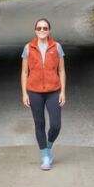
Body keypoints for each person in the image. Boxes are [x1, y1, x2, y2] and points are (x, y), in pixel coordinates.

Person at [20, 18, 66, 171]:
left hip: (54, 90)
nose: (42, 31)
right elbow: (25, 72)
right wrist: (24, 93)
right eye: (39, 28)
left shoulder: (56, 47)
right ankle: (45, 157)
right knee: (39, 124)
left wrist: (63, 92)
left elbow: (61, 70)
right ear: (35, 30)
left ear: (49, 31)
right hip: (34, 91)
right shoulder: (28, 47)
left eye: (45, 28)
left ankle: (48, 146)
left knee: (56, 125)